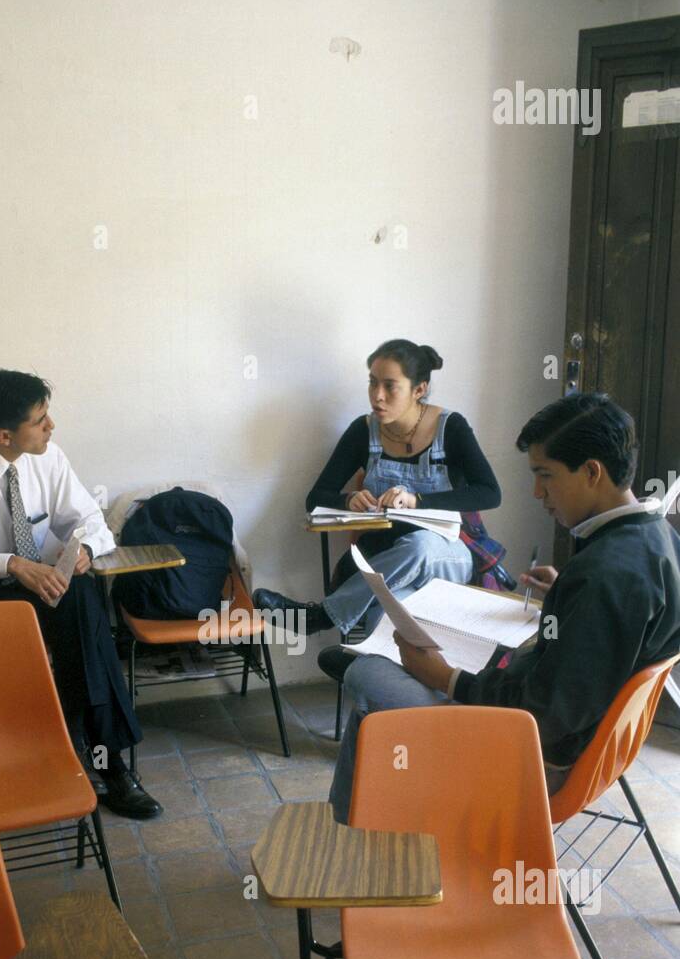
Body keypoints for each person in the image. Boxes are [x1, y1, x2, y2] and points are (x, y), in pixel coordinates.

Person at [329, 392, 680, 821]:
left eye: (545, 475)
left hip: (532, 759)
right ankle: (361, 834)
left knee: (367, 676)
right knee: (396, 676)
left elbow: (544, 713)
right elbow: (619, 629)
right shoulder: (656, 537)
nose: (536, 492)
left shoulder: (607, 575)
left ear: (592, 472)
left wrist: (450, 678)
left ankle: (349, 837)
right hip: (585, 744)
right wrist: (565, 595)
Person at [0, 368, 162, 820]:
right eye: (41, 419)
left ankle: (107, 764)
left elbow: (89, 518)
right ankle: (50, 750)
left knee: (83, 603)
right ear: (4, 434)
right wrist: (10, 564)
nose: (52, 426)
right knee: (65, 617)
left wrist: (86, 547)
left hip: (39, 585)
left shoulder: (48, 456)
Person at [253, 339, 501, 640]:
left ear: (419, 389)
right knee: (384, 619)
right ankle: (366, 669)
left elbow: (489, 492)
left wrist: (416, 500)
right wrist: (348, 499)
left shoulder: (451, 428)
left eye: (390, 386)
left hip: (446, 555)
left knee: (420, 545)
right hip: (387, 564)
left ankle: (320, 616)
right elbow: (315, 499)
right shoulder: (363, 431)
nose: (377, 396)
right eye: (372, 383)